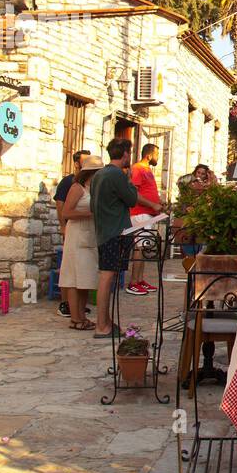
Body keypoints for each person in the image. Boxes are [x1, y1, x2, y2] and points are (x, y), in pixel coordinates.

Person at [91, 138, 160, 338]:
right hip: (115, 231)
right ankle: (102, 325)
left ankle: (104, 322)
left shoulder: (100, 174)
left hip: (104, 230)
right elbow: (130, 198)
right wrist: (129, 179)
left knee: (107, 275)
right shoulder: (116, 175)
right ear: (125, 154)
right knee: (107, 276)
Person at [58, 155, 102, 330]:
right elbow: (66, 213)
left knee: (85, 278)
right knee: (75, 278)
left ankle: (82, 316)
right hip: (77, 235)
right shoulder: (77, 188)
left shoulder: (92, 189)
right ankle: (75, 318)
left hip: (89, 236)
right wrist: (89, 215)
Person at [53, 149, 90, 317]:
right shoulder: (68, 182)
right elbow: (60, 204)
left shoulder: (87, 185)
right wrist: (63, 226)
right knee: (67, 266)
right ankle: (65, 303)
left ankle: (76, 305)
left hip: (83, 231)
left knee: (79, 268)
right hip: (72, 228)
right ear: (76, 163)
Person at [126, 143, 163, 296]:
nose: (158, 158)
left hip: (149, 213)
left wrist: (158, 204)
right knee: (139, 246)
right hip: (140, 213)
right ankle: (133, 282)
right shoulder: (138, 169)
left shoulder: (148, 170)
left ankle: (140, 280)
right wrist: (152, 204)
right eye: (157, 154)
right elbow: (134, 193)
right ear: (149, 155)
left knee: (145, 246)